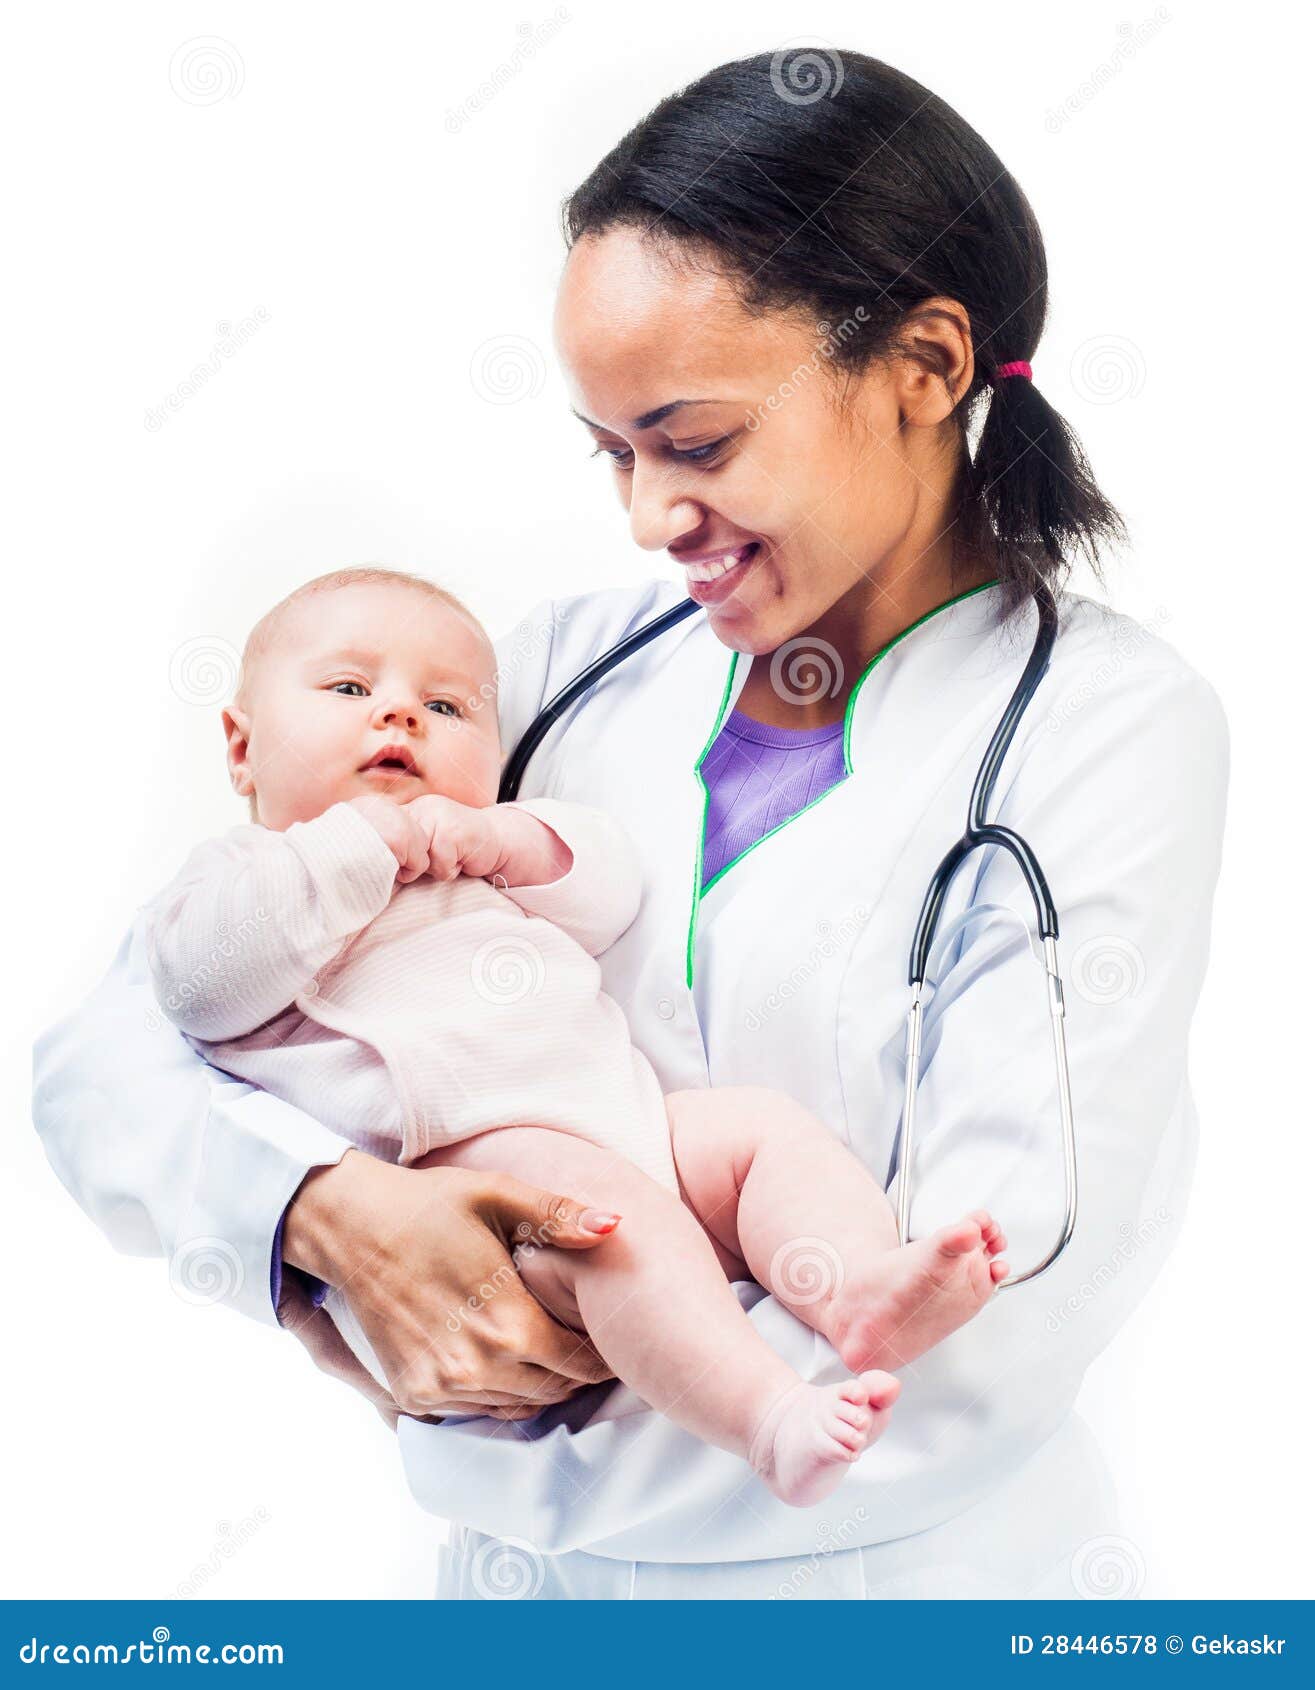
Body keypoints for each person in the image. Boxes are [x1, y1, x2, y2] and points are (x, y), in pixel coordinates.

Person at [33, 49, 1228, 1597]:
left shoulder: (1099, 732)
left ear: (926, 366)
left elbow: (989, 1324)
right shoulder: (544, 676)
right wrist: (322, 1214)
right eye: (613, 452)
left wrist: (463, 1413)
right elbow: (109, 1053)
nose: (647, 517)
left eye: (697, 441)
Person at [141, 563, 1018, 1506]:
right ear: (243, 749)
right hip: (470, 1183)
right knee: (616, 1227)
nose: (400, 716)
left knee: (761, 1134)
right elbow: (199, 989)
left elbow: (608, 893)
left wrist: (510, 843)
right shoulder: (240, 873)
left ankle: (854, 1291)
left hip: (632, 1123)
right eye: (350, 688)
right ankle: (769, 1421)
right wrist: (351, 848)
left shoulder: (475, 855)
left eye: (446, 707)